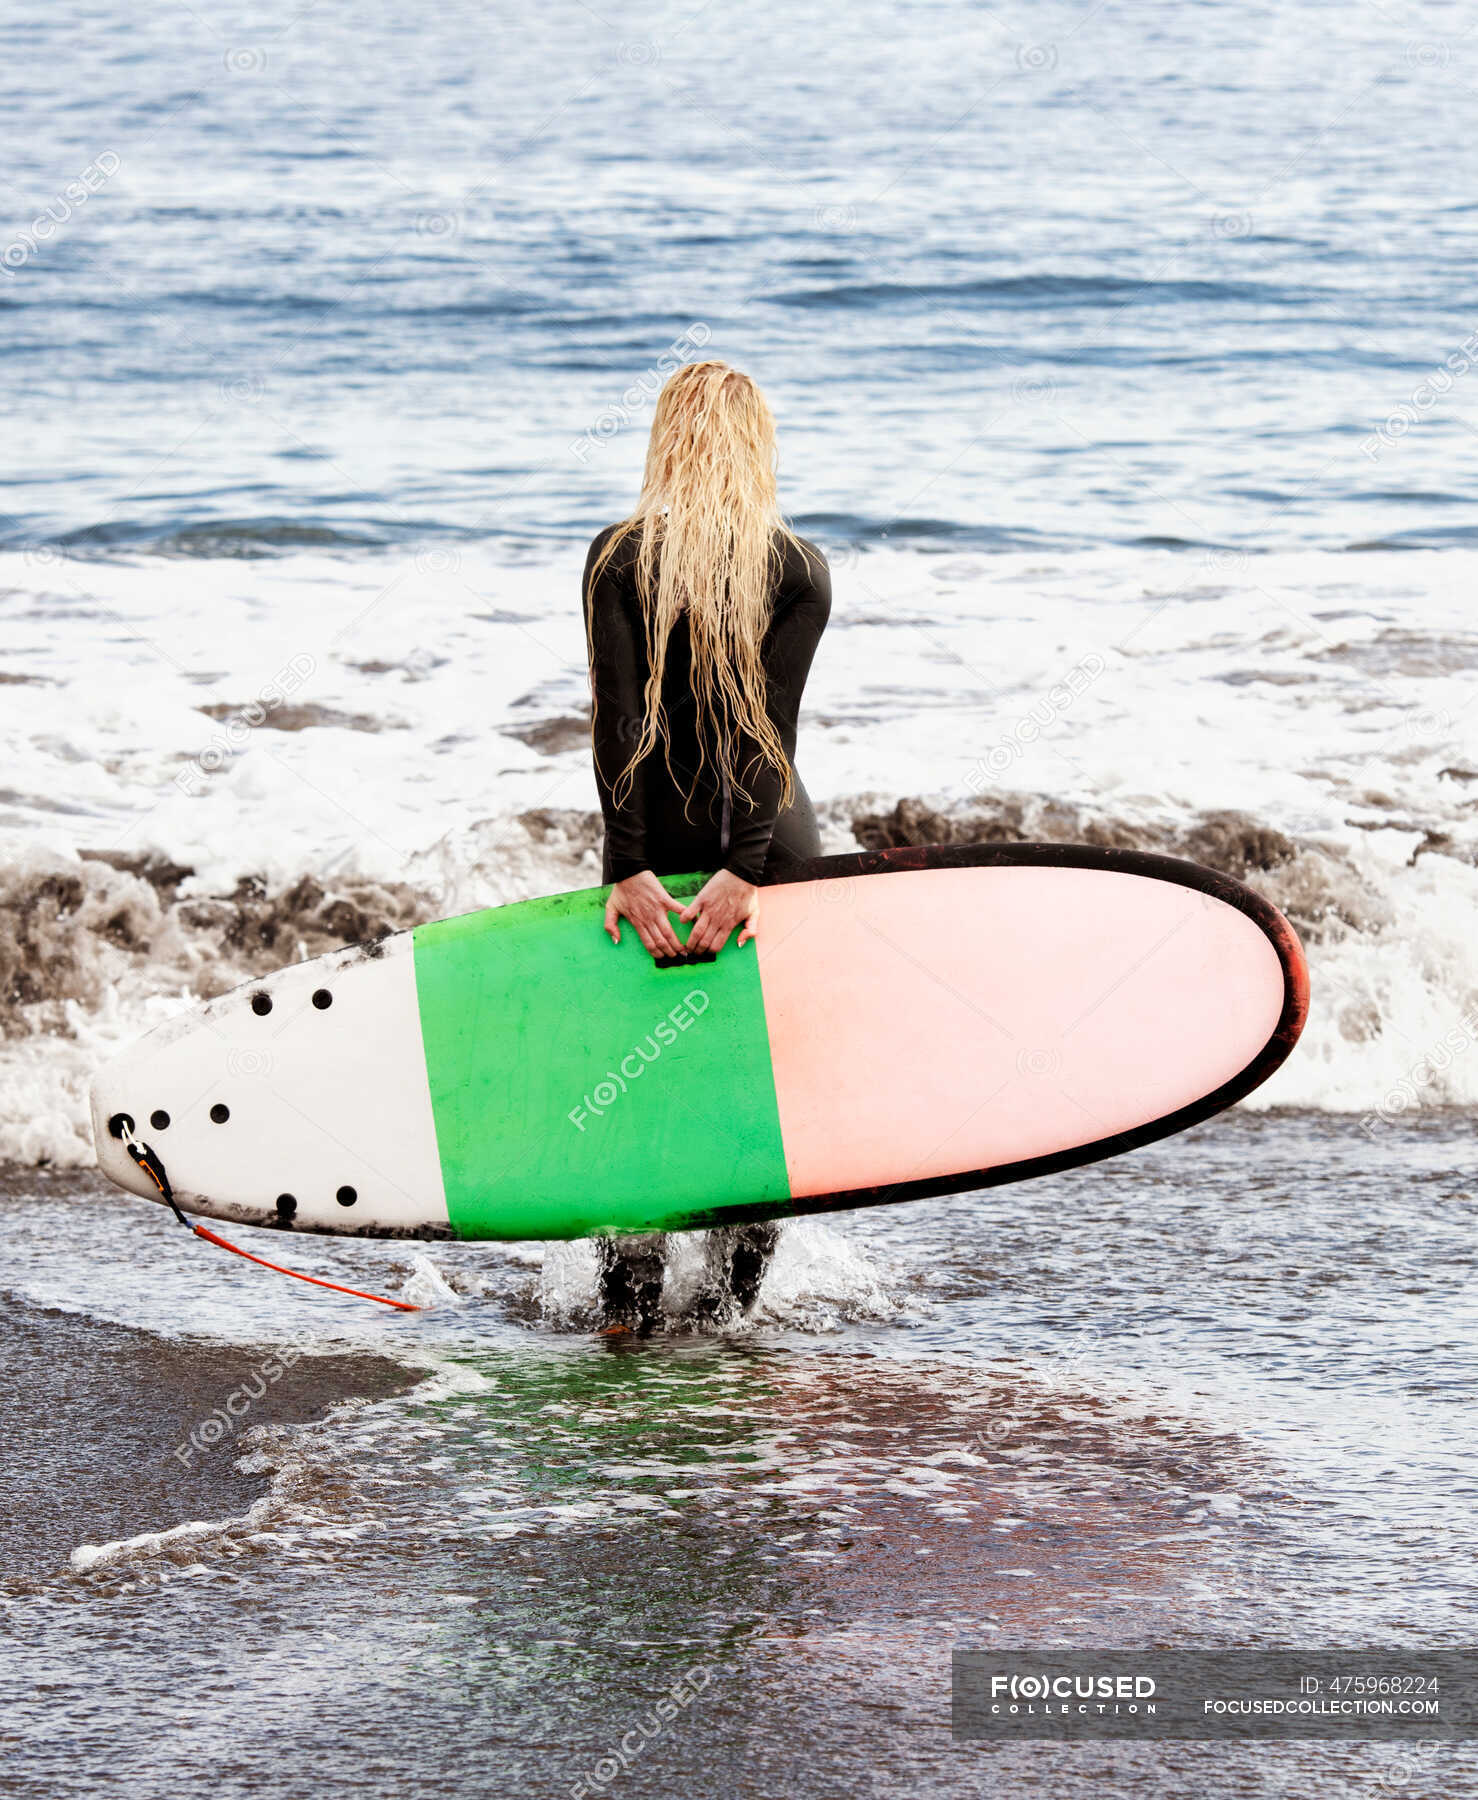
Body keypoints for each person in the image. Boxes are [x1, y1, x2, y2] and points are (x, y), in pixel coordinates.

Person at [581, 359, 830, 1331]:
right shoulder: (800, 568)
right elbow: (772, 736)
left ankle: (624, 1311)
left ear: (665, 443)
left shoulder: (615, 556)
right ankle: (727, 1314)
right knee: (754, 1081)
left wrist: (628, 865)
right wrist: (744, 869)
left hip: (659, 835)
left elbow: (617, 728)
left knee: (633, 1078)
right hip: (770, 847)